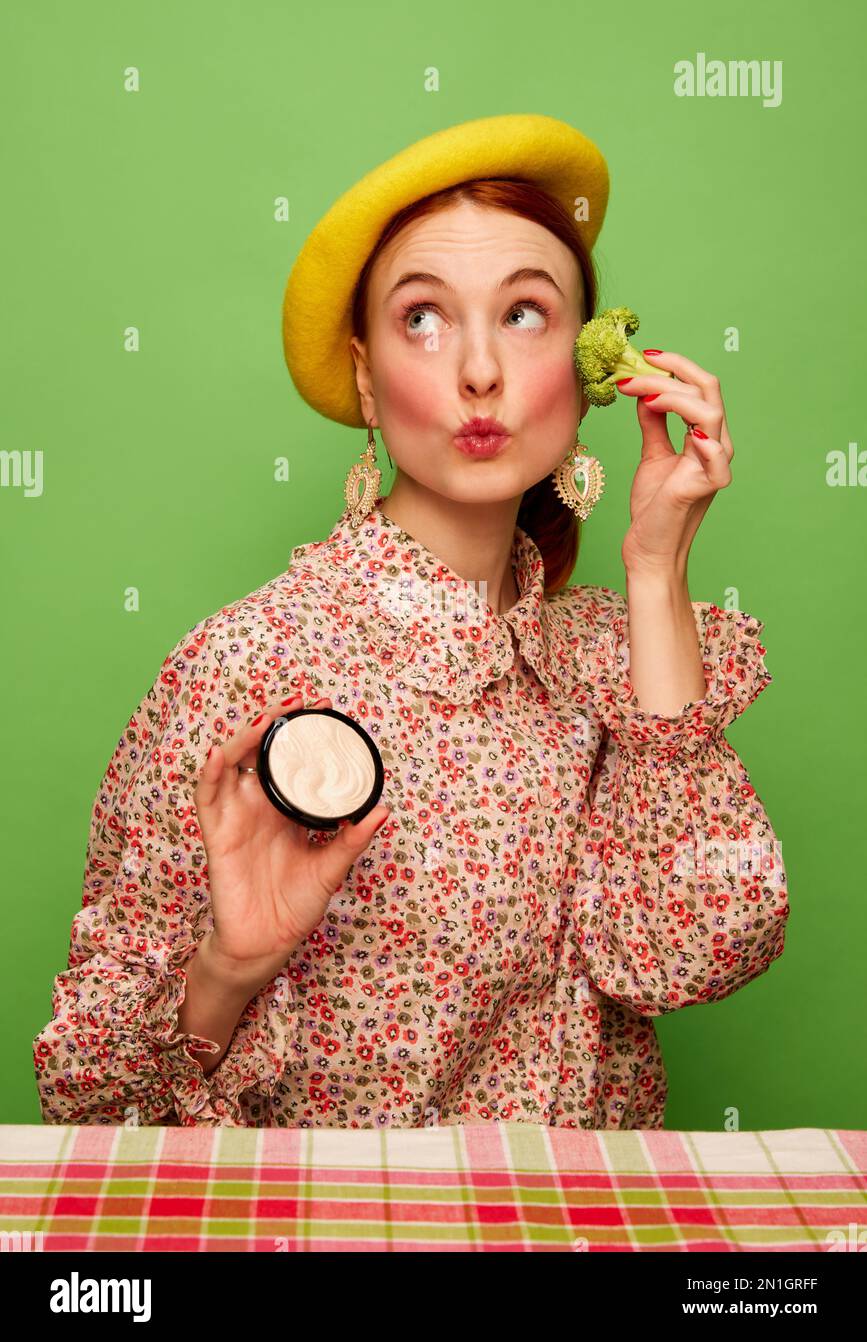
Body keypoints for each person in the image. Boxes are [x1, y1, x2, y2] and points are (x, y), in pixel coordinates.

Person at [33, 114, 788, 1129]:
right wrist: (230, 968)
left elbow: (693, 949)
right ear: (363, 375)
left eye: (525, 314)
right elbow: (94, 1111)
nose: (480, 370)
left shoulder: (615, 661)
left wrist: (657, 572)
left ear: (591, 369)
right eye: (423, 319)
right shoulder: (245, 665)